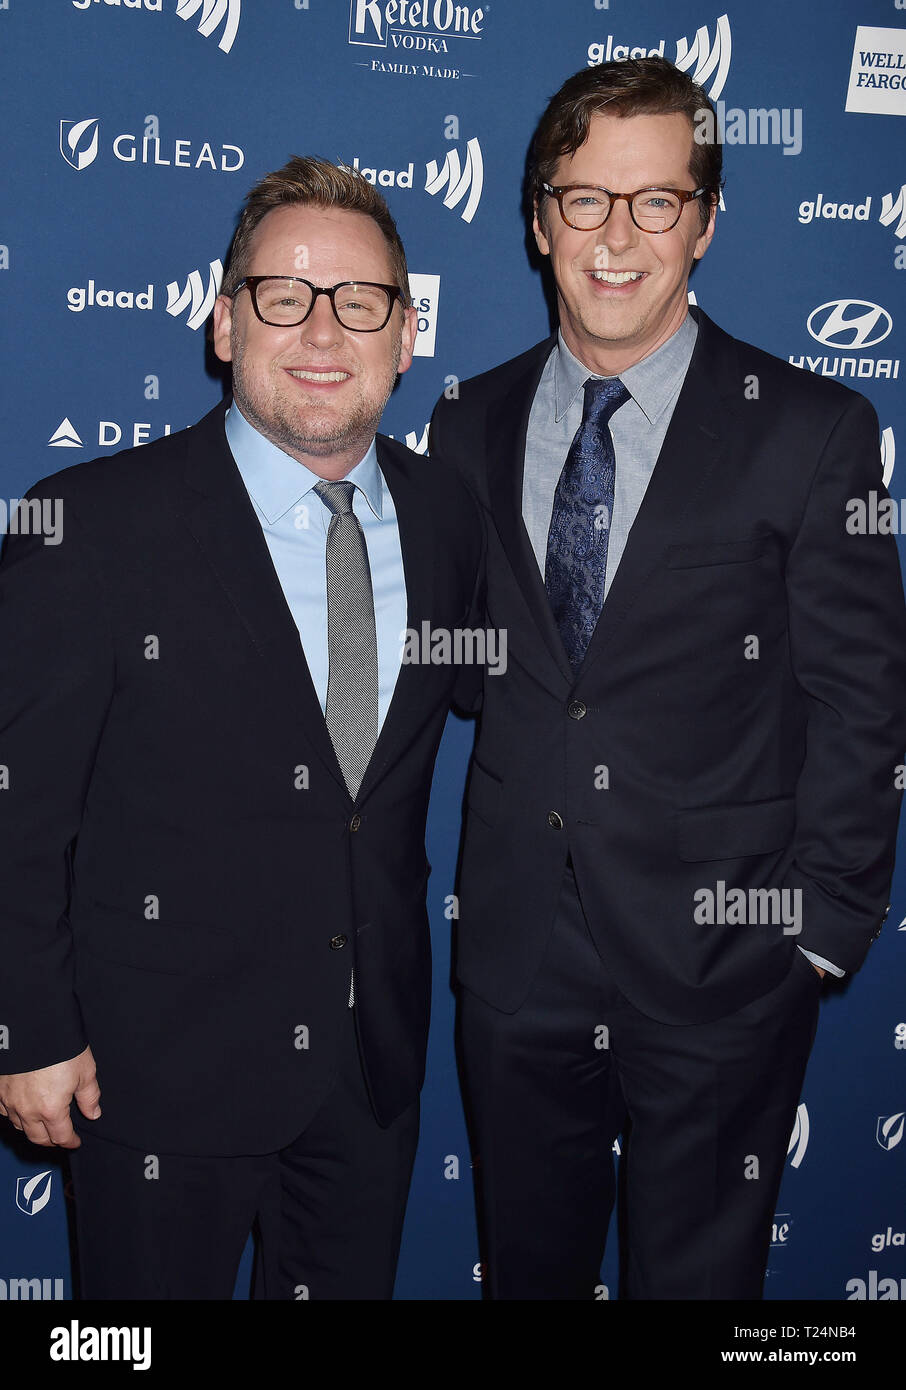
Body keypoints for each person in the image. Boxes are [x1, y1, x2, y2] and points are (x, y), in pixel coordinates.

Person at [429, 57, 906, 1300]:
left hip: (726, 957)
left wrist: (816, 934)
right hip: (521, 953)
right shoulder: (465, 424)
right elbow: (475, 665)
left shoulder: (810, 430)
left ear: (706, 219)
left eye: (656, 201)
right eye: (585, 200)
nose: (618, 236)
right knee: (528, 1273)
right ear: (539, 219)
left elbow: (866, 700)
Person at [0, 156, 482, 1300]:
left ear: (406, 335)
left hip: (367, 1074)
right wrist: (24, 1026)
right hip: (150, 1073)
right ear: (224, 324)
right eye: (283, 295)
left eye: (360, 302)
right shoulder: (89, 526)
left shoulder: (449, 518)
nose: (324, 329)